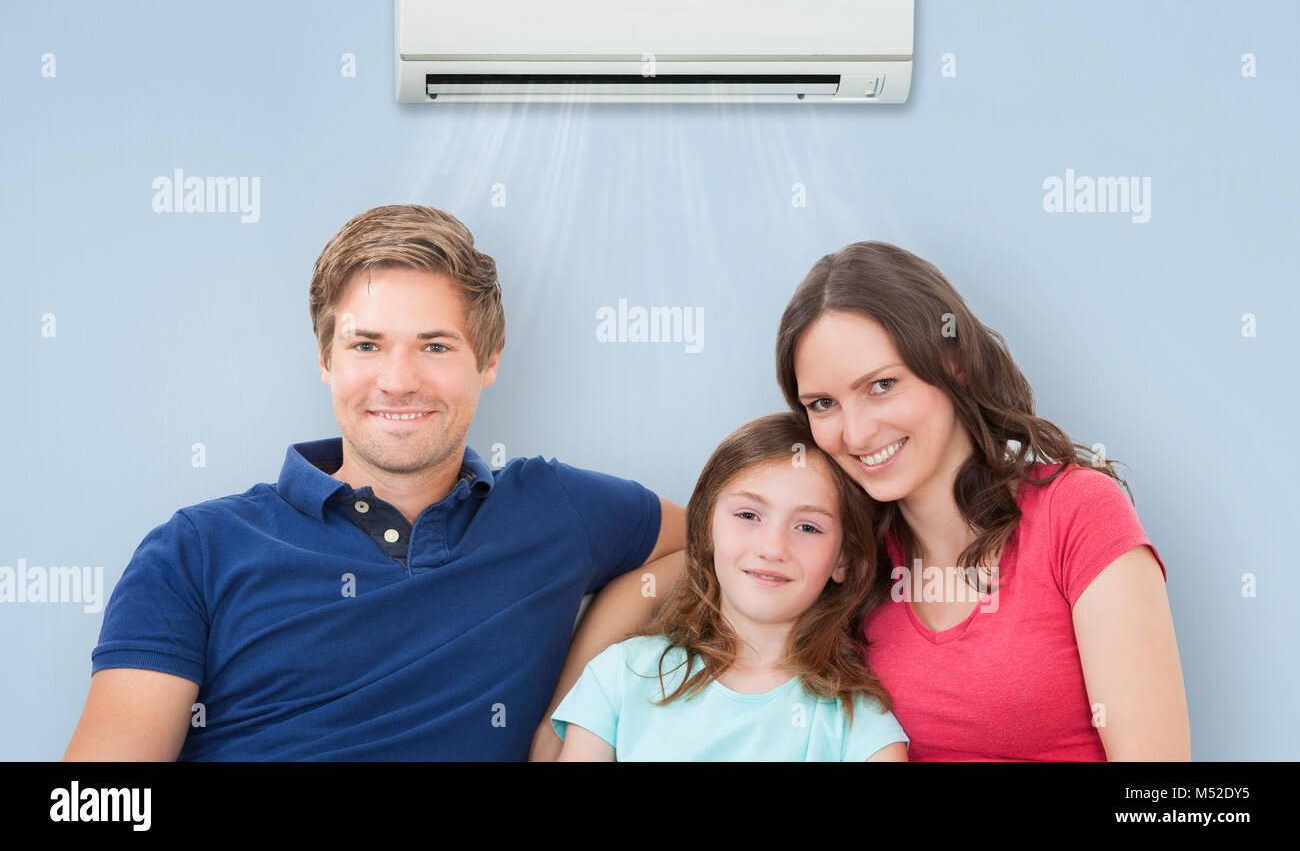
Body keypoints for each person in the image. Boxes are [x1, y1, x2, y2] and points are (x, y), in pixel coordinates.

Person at [62, 204, 686, 761]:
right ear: (325, 359)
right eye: (366, 345)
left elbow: (714, 547)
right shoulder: (196, 549)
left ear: (489, 361)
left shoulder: (557, 509)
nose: (398, 380)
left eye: (435, 347)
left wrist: (567, 708)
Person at [774, 241, 1190, 760]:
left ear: (955, 364)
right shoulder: (841, 558)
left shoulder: (1078, 513)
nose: (856, 433)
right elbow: (700, 572)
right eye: (824, 404)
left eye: (882, 385)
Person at [549, 413, 909, 761]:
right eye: (748, 515)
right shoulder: (620, 675)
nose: (772, 548)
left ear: (843, 559)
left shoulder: (859, 723)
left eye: (808, 528)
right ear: (707, 527)